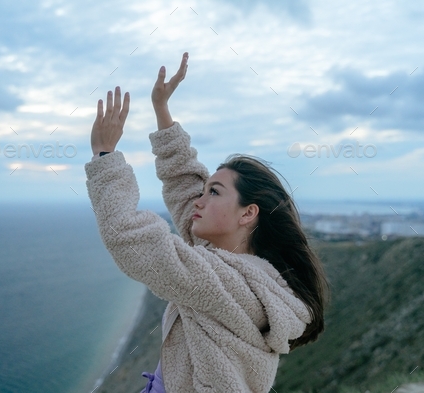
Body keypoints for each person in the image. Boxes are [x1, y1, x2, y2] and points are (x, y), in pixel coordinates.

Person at [85, 52, 331, 393]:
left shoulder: (224, 282)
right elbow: (187, 188)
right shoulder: (248, 276)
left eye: (214, 192)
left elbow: (133, 240)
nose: (199, 200)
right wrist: (162, 110)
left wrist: (105, 156)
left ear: (248, 213)